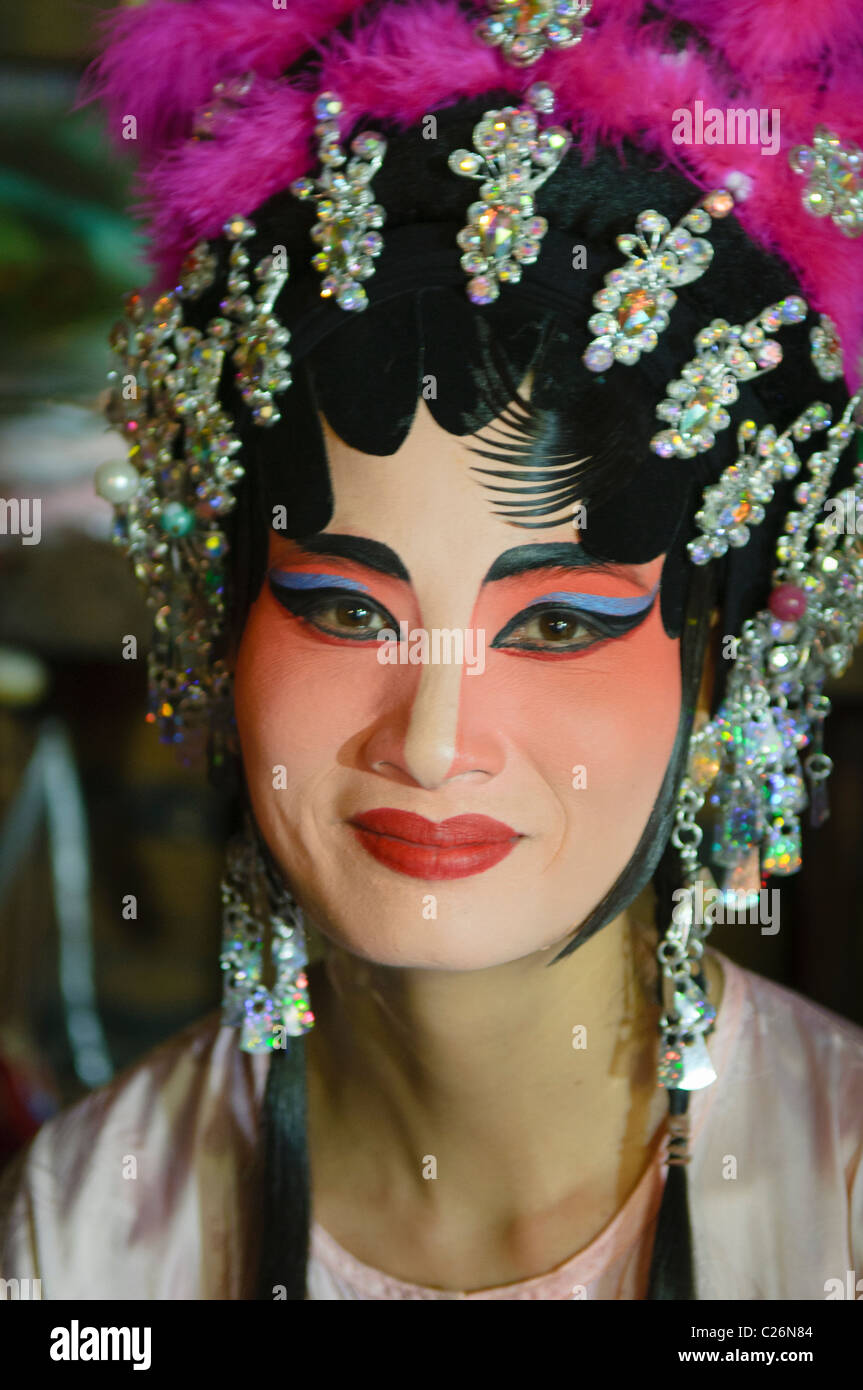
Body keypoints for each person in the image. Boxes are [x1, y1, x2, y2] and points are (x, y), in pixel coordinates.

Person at [1, 0, 862, 1301]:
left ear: (726, 670)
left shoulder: (839, 1204)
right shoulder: (87, 1242)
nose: (432, 734)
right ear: (217, 627)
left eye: (560, 623)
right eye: (347, 610)